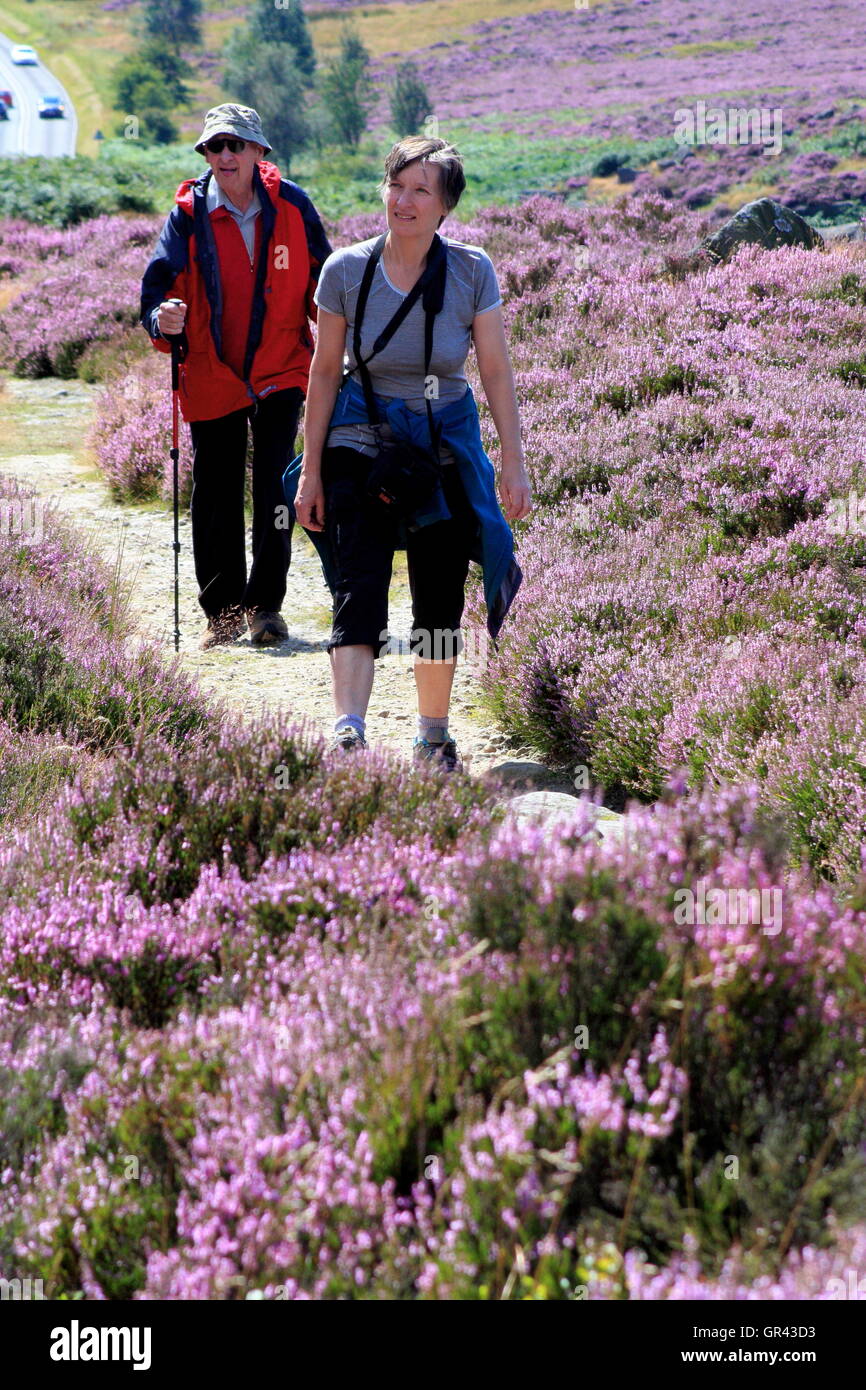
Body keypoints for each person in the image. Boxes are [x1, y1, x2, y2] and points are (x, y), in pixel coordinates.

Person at [290, 136, 532, 768]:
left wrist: (511, 460)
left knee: (440, 587)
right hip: (358, 436)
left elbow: (497, 373)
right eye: (397, 184)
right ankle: (348, 730)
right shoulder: (345, 271)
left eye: (422, 189)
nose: (405, 199)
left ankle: (432, 734)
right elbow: (322, 373)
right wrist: (310, 471)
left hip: (442, 444)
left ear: (445, 206)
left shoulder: (472, 271)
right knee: (359, 575)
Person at [140, 104, 332, 649]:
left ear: (258, 153)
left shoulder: (292, 204)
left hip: (281, 365)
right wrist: (163, 318)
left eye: (235, 145)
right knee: (217, 490)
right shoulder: (188, 214)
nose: (224, 155)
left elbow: (324, 281)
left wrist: (342, 342)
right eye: (214, 147)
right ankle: (221, 612)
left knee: (276, 484)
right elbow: (155, 291)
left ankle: (265, 608)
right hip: (211, 370)